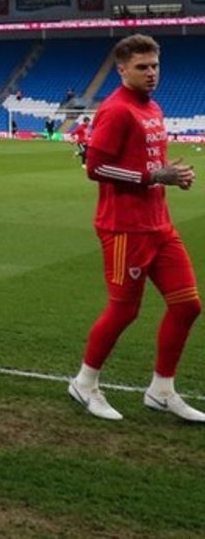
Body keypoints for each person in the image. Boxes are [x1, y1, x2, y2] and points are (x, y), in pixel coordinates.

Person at [68, 34, 204, 422]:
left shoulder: (153, 107)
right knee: (124, 311)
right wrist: (153, 175)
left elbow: (150, 165)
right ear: (122, 69)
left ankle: (162, 390)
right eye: (142, 67)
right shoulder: (116, 110)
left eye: (155, 66)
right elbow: (95, 167)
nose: (151, 74)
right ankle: (84, 382)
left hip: (159, 224)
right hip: (124, 228)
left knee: (187, 305)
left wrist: (169, 176)